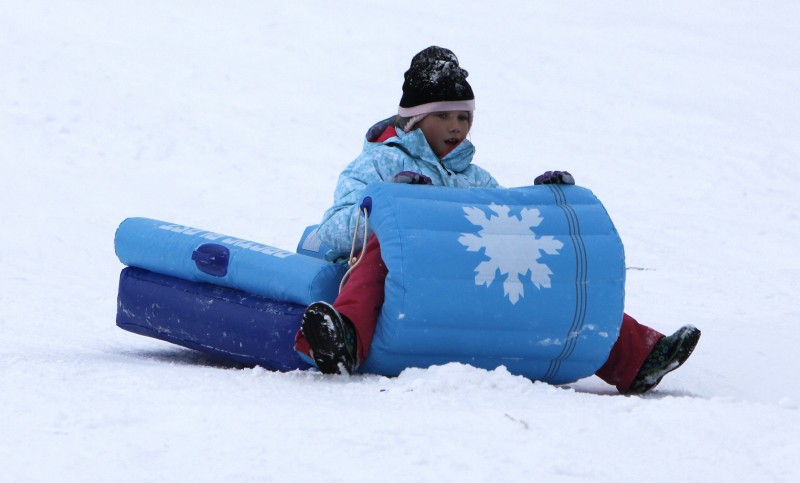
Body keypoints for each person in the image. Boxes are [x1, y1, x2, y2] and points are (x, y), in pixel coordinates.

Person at [294, 46, 700, 394]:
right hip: (397, 283)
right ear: (416, 119)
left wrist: (548, 202)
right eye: (445, 115)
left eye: (464, 117)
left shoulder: (475, 178)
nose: (457, 126)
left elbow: (506, 225)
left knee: (539, 266)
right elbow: (334, 231)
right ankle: (344, 339)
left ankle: (636, 355)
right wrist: (389, 207)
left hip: (459, 281)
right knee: (386, 246)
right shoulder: (378, 162)